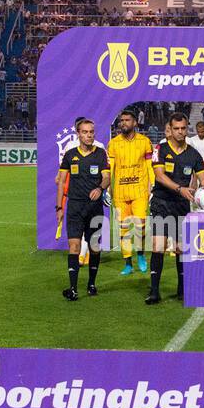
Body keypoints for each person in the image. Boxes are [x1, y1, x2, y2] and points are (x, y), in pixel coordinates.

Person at [145, 112, 204, 305]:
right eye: (176, 129)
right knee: (158, 246)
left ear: (187, 128)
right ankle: (154, 291)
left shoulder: (193, 154)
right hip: (161, 202)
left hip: (182, 205)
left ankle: (182, 289)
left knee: (181, 249)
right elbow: (159, 176)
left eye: (183, 128)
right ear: (170, 129)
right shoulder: (160, 149)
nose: (180, 132)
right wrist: (179, 188)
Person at [55, 117, 110, 301]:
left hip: (94, 208)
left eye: (91, 132)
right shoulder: (70, 155)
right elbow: (61, 182)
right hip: (75, 207)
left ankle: (91, 284)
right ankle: (72, 288)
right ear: (78, 134)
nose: (89, 135)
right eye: (85, 132)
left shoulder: (101, 154)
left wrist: (100, 188)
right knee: (74, 246)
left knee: (94, 247)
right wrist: (59, 207)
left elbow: (107, 177)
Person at [106, 109, 153, 276]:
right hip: (119, 191)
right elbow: (110, 167)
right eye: (121, 120)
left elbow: (149, 166)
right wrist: (106, 187)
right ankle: (127, 263)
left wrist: (152, 184)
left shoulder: (145, 141)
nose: (123, 123)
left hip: (139, 190)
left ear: (135, 122)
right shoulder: (113, 143)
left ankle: (140, 255)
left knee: (140, 224)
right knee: (123, 228)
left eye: (127, 120)